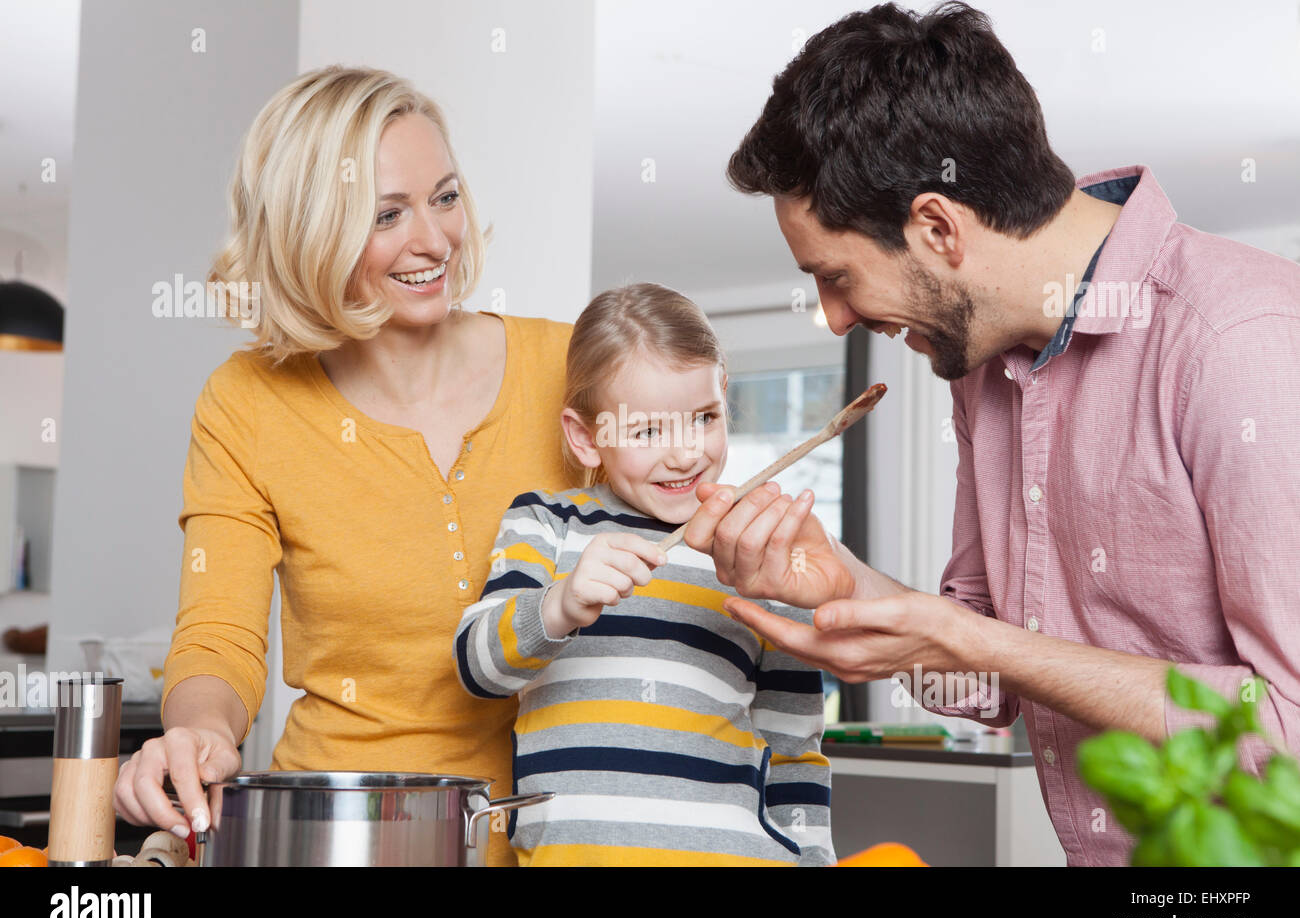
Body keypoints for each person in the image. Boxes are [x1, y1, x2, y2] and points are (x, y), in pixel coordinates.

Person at [681, 2, 1300, 866]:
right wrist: (838, 584)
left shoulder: (1241, 341)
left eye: (836, 277)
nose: (832, 319)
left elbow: (1290, 730)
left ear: (938, 226)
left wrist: (980, 642)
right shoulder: (980, 366)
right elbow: (983, 687)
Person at [112, 66, 581, 867]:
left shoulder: (571, 364)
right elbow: (219, 634)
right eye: (386, 215)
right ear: (311, 229)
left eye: (444, 196)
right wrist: (196, 734)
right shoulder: (248, 400)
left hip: (560, 832)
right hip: (335, 837)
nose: (433, 241)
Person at [453, 283, 834, 866]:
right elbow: (477, 667)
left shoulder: (758, 548)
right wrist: (559, 605)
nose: (684, 454)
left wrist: (813, 857)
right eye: (647, 431)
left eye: (703, 417)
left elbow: (793, 748)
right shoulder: (547, 525)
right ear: (585, 437)